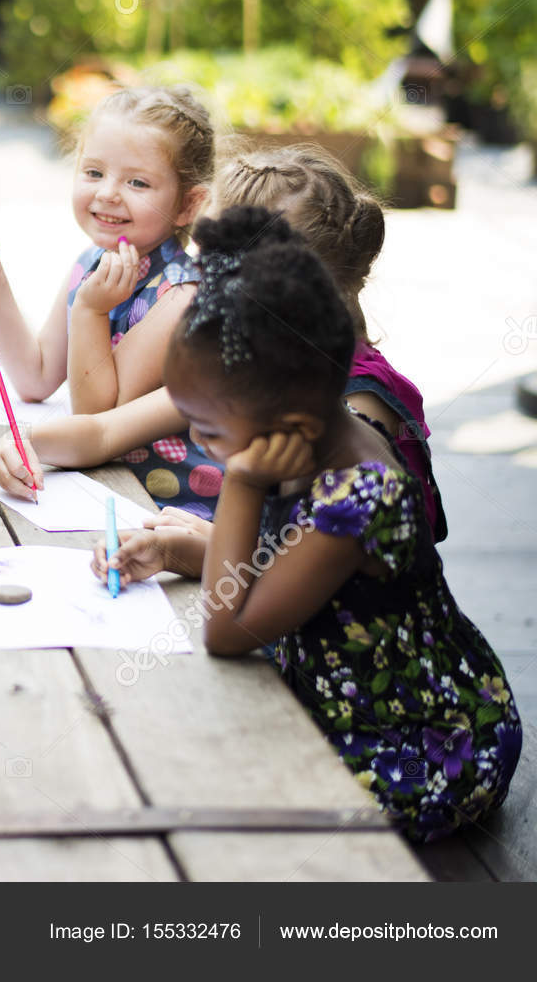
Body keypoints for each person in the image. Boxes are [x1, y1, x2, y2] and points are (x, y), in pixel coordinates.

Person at [93, 208, 519, 841]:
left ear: (282, 421)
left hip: (418, 745)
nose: (203, 445)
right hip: (342, 693)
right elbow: (274, 568)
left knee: (188, 781)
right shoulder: (315, 436)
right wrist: (186, 551)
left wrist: (241, 481)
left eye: (210, 431)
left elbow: (227, 629)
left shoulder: (357, 499)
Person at [0, 144, 446, 538]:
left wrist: (206, 548)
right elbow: (107, 430)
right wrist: (29, 443)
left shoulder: (360, 405)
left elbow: (321, 560)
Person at [0, 86, 221, 514]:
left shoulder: (182, 297)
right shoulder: (92, 262)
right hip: (106, 489)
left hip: (168, 510)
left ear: (188, 205)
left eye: (137, 182)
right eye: (93, 172)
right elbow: (36, 377)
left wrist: (90, 311)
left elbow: (95, 418)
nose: (108, 193)